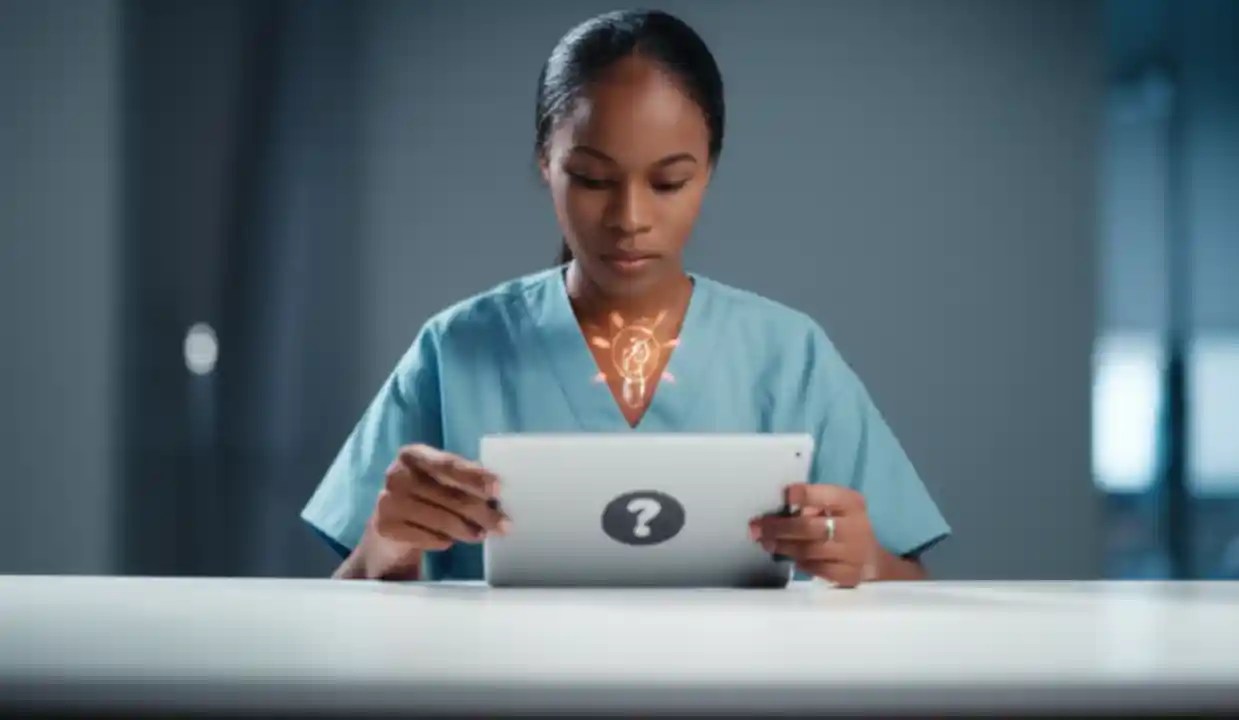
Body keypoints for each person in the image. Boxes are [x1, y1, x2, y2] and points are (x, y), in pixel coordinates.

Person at [301, 9, 949, 587]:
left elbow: (911, 588)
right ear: (544, 164)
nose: (630, 217)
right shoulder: (454, 351)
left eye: (668, 182)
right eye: (591, 178)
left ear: (710, 169)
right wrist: (385, 544)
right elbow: (344, 611)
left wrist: (867, 562)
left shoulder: (791, 356)